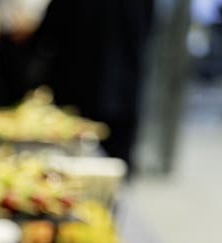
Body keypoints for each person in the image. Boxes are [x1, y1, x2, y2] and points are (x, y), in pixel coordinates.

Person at [26, 0, 155, 165]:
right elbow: (147, 32)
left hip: (75, 91)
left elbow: (48, 32)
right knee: (113, 164)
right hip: (121, 89)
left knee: (65, 164)